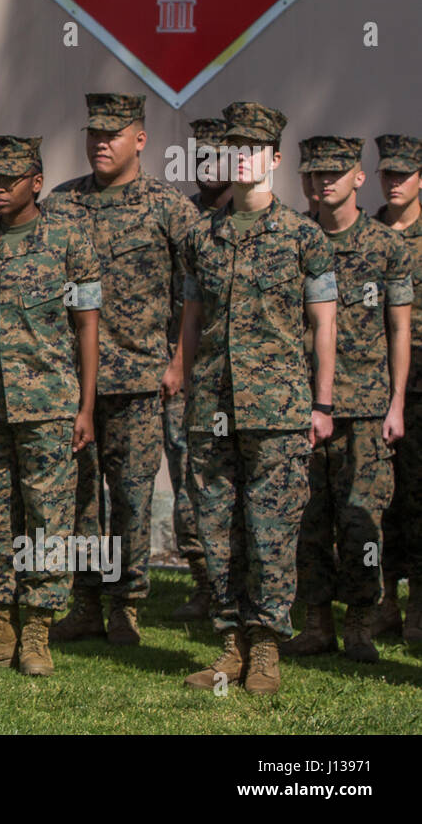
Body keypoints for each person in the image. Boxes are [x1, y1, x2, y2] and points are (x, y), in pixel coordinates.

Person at [179, 101, 337, 695]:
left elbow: (325, 325)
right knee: (218, 527)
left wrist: (321, 406)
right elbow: (191, 323)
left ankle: (267, 648)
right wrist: (190, 390)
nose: (241, 160)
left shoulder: (303, 237)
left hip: (277, 410)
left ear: (272, 159)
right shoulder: (202, 236)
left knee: (271, 529)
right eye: (232, 150)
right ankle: (230, 647)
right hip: (212, 409)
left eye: (253, 150)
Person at [42, 93, 197, 646]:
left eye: (113, 134)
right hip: (71, 384)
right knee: (81, 500)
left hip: (139, 382)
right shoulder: (61, 205)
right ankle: (85, 601)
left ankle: (126, 605)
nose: (100, 144)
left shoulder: (169, 207)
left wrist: (177, 360)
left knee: (131, 499)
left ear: (141, 140)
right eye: (93, 134)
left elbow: (196, 289)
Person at [0, 136, 100, 677]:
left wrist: (85, 407)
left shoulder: (69, 241)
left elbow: (88, 329)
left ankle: (37, 633)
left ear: (37, 182)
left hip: (49, 407)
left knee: (48, 520)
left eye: (10, 179)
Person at [283, 137, 411, 663]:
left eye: (335, 172)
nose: (323, 182)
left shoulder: (387, 248)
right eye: (313, 174)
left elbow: (399, 331)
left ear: (359, 178)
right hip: (303, 405)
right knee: (309, 518)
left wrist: (397, 402)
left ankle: (360, 623)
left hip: (365, 408)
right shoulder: (291, 241)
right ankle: (315, 623)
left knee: (363, 522)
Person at [166, 118, 232, 621]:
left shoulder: (258, 217)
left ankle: (239, 586)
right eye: (202, 158)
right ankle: (205, 581)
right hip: (187, 372)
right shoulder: (180, 216)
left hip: (245, 376)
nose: (210, 168)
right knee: (190, 481)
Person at [372, 133, 422, 644]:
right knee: (377, 499)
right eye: (388, 174)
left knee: (418, 497)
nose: (395, 183)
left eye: (404, 174)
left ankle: (418, 610)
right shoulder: (369, 234)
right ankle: (381, 603)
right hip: (373, 379)